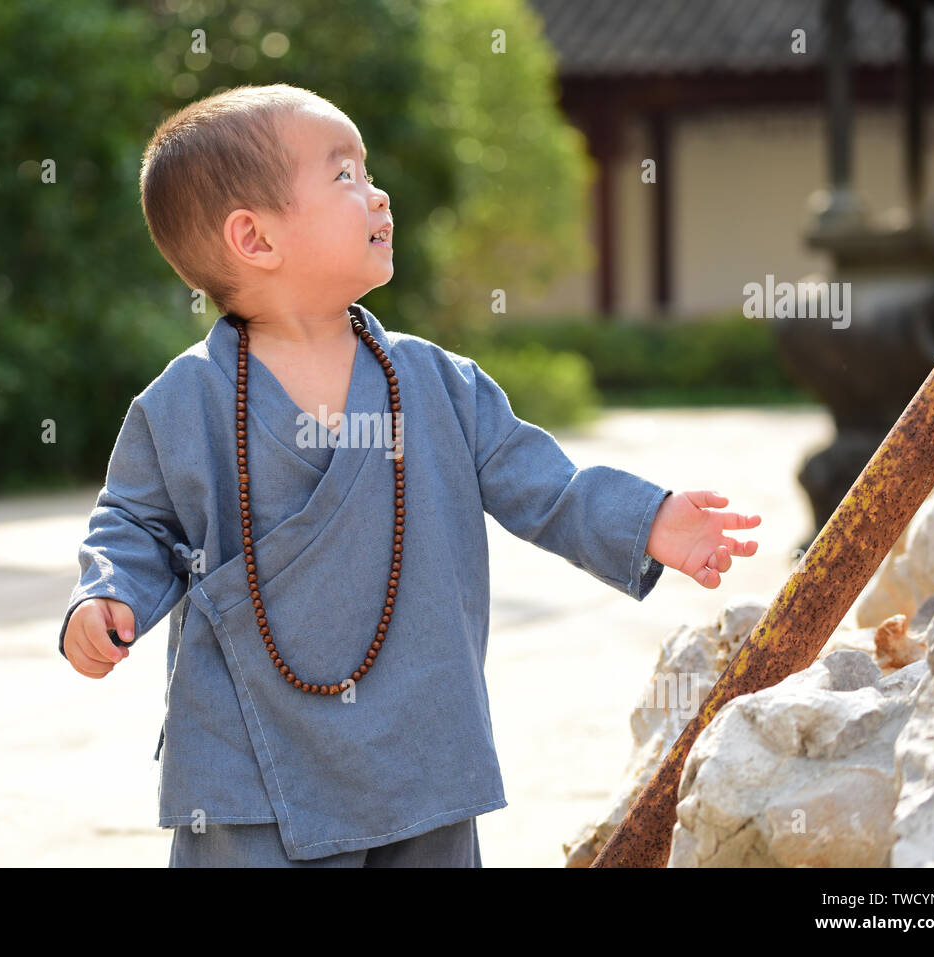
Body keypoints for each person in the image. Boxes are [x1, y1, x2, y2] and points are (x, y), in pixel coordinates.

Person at [58, 83, 761, 867]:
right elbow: (137, 522)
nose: (379, 192)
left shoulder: (436, 383)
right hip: (252, 767)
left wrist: (648, 520)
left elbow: (545, 482)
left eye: (368, 169)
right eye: (345, 176)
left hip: (422, 742)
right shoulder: (184, 401)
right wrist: (108, 592)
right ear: (254, 238)